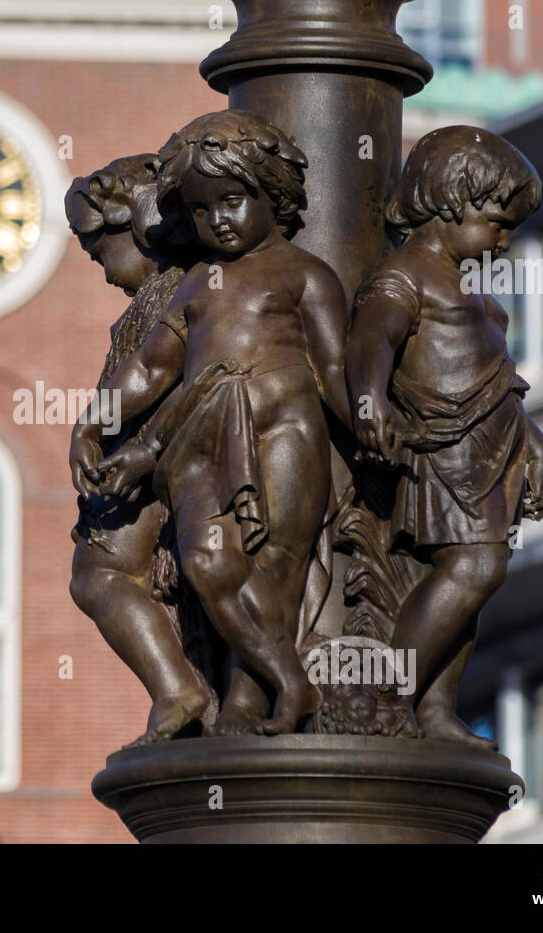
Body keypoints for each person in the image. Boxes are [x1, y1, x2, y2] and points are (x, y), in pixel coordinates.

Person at [72, 110, 349, 735]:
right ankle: (290, 679)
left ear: (271, 193)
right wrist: (92, 422)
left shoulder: (305, 275)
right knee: (207, 562)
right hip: (195, 437)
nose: (216, 221)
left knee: (274, 562)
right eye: (200, 212)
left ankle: (247, 702)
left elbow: (335, 372)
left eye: (230, 201)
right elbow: (150, 366)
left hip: (285, 424)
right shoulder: (195, 282)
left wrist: (375, 425)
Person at [345, 125, 543, 747]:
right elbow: (372, 343)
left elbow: (503, 383)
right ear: (448, 203)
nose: (504, 238)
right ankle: (390, 691)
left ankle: (436, 707)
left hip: (492, 452)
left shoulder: (477, 292)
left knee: (475, 580)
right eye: (496, 223)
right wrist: (368, 399)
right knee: (475, 567)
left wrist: (536, 445)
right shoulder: (406, 278)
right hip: (443, 453)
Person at [65, 154, 216, 746]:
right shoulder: (179, 290)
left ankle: (180, 690)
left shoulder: (171, 294)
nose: (104, 273)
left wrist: (94, 431)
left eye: (100, 252)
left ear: (137, 222)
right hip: (151, 454)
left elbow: (153, 376)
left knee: (100, 574)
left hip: (156, 458)